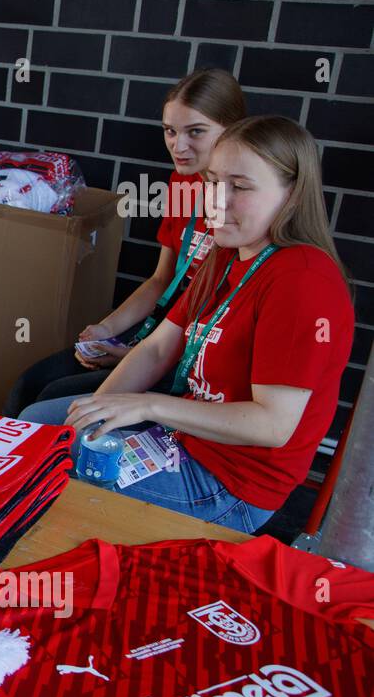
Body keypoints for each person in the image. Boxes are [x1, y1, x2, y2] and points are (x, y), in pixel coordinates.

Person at [41, 117, 353, 533]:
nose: (216, 202)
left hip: (230, 483)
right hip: (181, 438)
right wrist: (97, 415)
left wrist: (148, 405)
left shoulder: (303, 279)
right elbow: (157, 348)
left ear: (292, 195)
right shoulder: (229, 251)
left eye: (239, 187)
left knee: (50, 482)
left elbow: (273, 425)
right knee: (40, 428)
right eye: (212, 182)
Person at [5, 69, 246, 417]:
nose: (178, 146)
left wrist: (139, 354)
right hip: (161, 333)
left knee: (49, 402)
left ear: (234, 130)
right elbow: (162, 280)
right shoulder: (183, 182)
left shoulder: (245, 213)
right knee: (30, 384)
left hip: (189, 358)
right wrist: (107, 329)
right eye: (170, 131)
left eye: (196, 131)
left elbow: (218, 335)